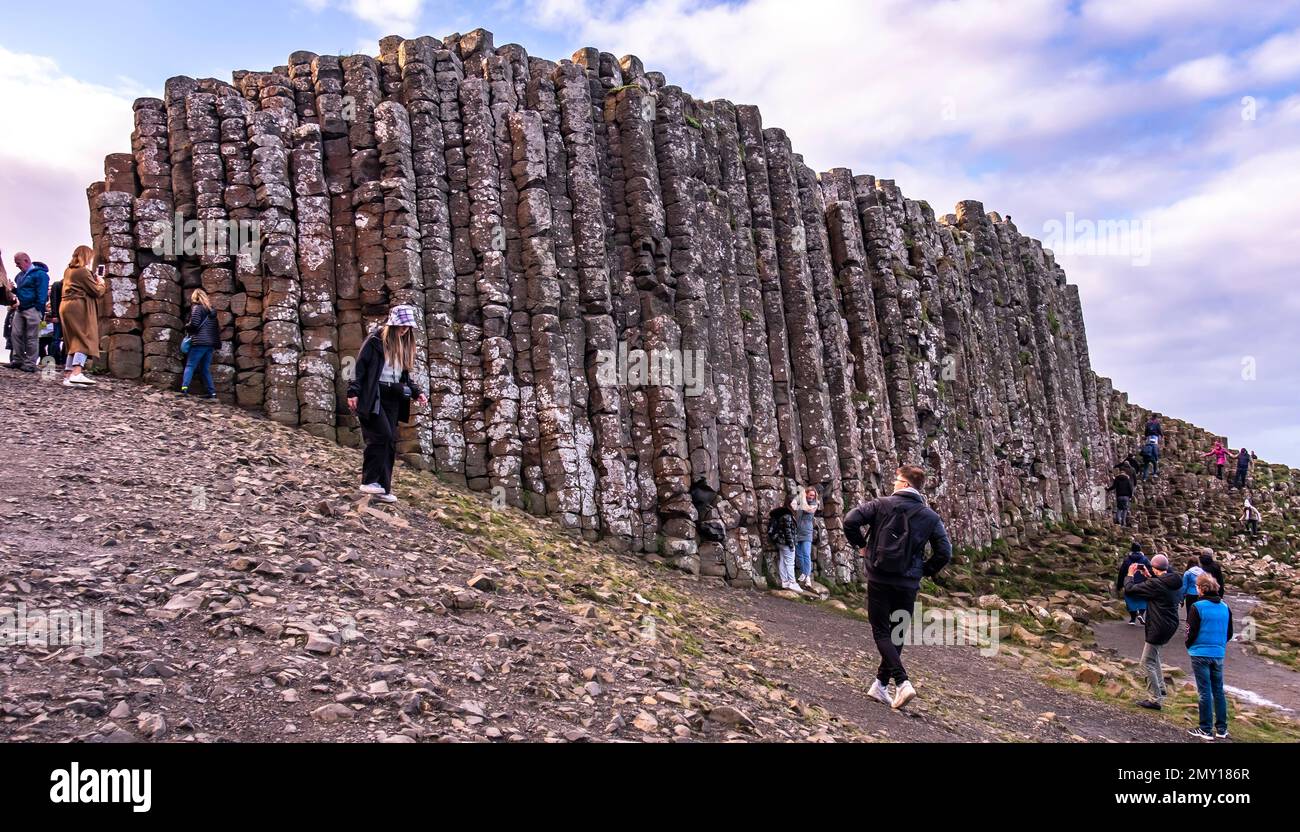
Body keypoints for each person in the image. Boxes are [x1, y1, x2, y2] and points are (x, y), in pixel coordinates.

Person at [843, 465, 953, 711]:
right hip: (908, 582)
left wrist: (861, 546)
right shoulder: (930, 517)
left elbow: (850, 520)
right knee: (898, 632)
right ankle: (880, 686)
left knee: (882, 631)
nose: (893, 483)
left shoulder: (880, 504)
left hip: (879, 577)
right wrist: (923, 570)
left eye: (896, 480)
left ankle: (902, 683)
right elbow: (945, 552)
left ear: (905, 484)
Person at [346, 306, 428, 504]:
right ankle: (369, 481)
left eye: (407, 326)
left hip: (394, 398)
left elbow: (405, 376)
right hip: (374, 395)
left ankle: (383, 487)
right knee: (382, 435)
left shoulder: (405, 345)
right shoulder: (374, 341)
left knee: (389, 443)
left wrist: (417, 393)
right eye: (401, 325)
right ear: (393, 323)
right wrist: (353, 391)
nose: (404, 329)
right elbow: (359, 367)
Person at [1123, 553, 1183, 711]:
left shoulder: (1157, 584)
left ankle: (1155, 699)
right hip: (1169, 625)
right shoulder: (1174, 581)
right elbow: (1158, 586)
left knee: (1146, 662)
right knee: (1154, 657)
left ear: (1155, 568)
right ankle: (1161, 689)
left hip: (1158, 626)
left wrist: (1130, 575)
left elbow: (1130, 590)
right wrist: (1149, 576)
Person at [1186, 572, 1233, 740]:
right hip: (1218, 652)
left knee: (1204, 691)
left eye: (1197, 587)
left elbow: (1191, 631)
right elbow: (1229, 632)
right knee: (1218, 691)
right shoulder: (1225, 607)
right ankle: (1222, 729)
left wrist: (1189, 644)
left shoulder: (1197, 607)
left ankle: (1205, 728)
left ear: (1201, 589)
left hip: (1200, 652)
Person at [58, 246, 106, 387]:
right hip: (79, 307)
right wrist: (101, 283)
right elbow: (96, 291)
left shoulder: (68, 271)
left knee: (73, 340)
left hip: (66, 306)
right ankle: (77, 372)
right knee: (85, 338)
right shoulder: (83, 272)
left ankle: (68, 375)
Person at [5, 252, 50, 373]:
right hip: (21, 309)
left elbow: (42, 294)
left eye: (18, 263)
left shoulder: (41, 275)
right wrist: (13, 289)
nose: (17, 266)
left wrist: (38, 309)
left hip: (33, 309)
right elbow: (21, 292)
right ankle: (18, 360)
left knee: (32, 337)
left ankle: (30, 363)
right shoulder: (19, 276)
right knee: (15, 334)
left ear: (26, 260)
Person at [181, 289, 220, 398]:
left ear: (195, 297)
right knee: (204, 368)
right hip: (210, 344)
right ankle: (212, 393)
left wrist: (186, 326)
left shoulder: (197, 308)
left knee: (190, 365)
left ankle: (184, 389)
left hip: (199, 342)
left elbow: (194, 324)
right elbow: (216, 329)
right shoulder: (212, 311)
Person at [790, 486, 820, 591]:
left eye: (814, 495)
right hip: (797, 532)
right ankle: (803, 572)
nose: (812, 497)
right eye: (810, 495)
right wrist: (801, 496)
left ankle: (808, 577)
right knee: (798, 554)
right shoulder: (801, 501)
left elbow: (807, 509)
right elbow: (793, 505)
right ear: (806, 494)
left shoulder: (815, 504)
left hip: (807, 532)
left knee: (806, 554)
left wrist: (801, 499)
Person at [766, 503, 800, 593]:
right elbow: (788, 532)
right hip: (786, 543)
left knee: (782, 561)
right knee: (790, 562)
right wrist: (791, 545)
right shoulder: (787, 516)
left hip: (780, 542)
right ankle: (792, 582)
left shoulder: (781, 514)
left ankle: (784, 581)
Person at [1116, 541, 1151, 625]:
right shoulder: (1145, 559)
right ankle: (1141, 614)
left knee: (1130, 600)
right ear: (1140, 549)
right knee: (1143, 599)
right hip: (1142, 583)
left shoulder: (1127, 560)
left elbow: (1122, 572)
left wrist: (1120, 585)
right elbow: (1150, 570)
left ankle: (1132, 619)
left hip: (1130, 583)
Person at [46, 270, 66, 368]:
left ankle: (63, 360)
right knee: (56, 339)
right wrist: (55, 315)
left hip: (67, 317)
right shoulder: (57, 285)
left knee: (64, 340)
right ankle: (51, 360)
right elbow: (54, 301)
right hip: (59, 316)